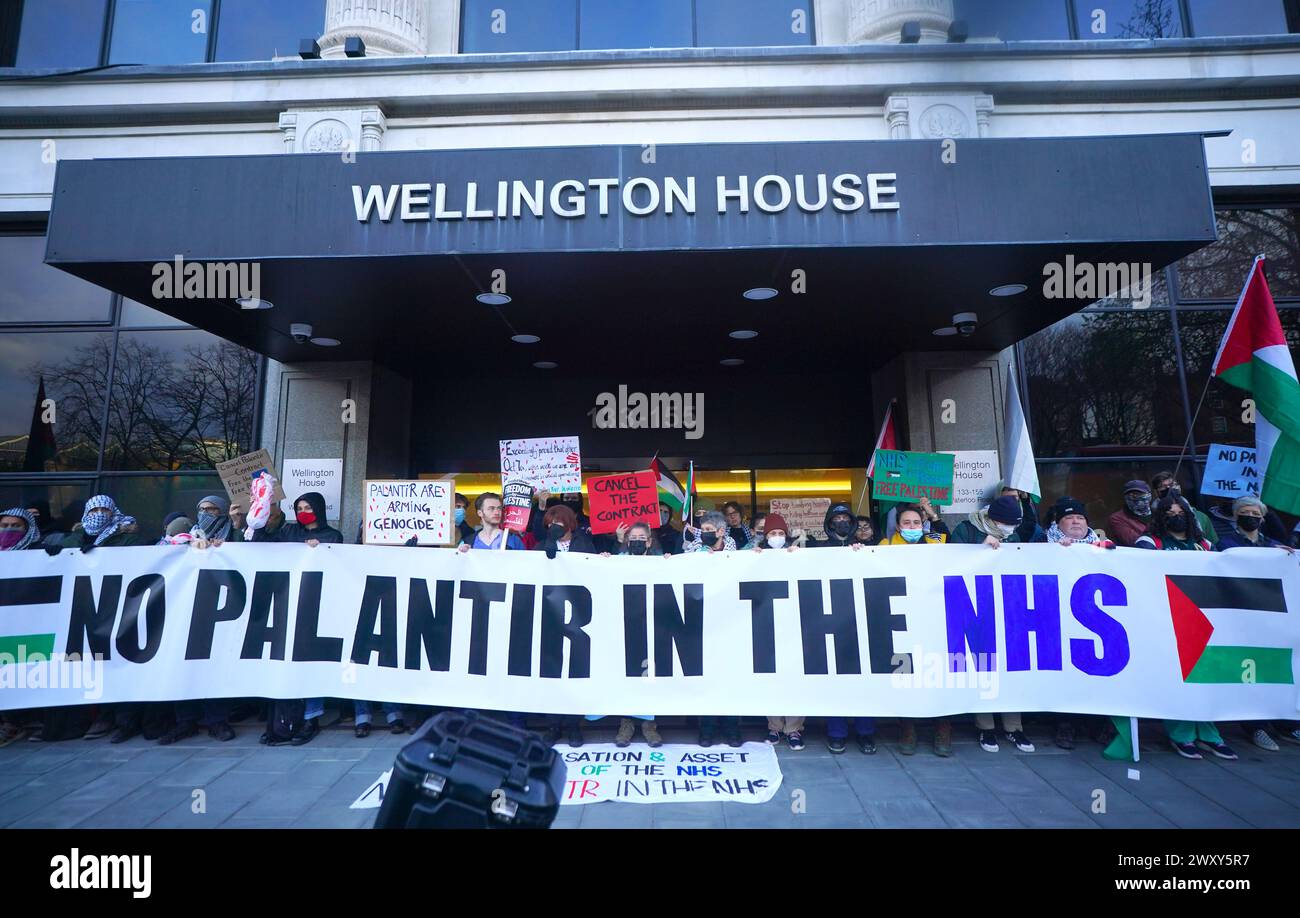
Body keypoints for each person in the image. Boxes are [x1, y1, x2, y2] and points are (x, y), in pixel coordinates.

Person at [1127, 492, 1237, 760]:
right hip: (1166, 621)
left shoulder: (1204, 545)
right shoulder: (1149, 542)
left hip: (1203, 621)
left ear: (1189, 516)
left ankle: (1210, 735)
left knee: (1206, 680)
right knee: (1177, 681)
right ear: (1159, 518)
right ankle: (1181, 735)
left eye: (1179, 513)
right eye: (1169, 514)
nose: (1175, 517)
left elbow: (1233, 565)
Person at [46, 496, 151, 744]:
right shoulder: (73, 540)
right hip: (83, 611)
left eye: (105, 509)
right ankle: (87, 718)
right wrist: (51, 555)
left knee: (118, 664)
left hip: (117, 611)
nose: (99, 514)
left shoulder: (128, 539)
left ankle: (121, 721)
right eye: (94, 510)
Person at [248, 492, 343, 746]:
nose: (303, 511)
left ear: (319, 509)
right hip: (286, 606)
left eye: (308, 507)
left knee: (311, 663)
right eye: (299, 507)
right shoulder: (288, 532)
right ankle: (285, 721)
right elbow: (262, 548)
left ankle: (311, 718)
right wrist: (256, 522)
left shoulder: (332, 536)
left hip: (316, 607)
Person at [949, 495, 1036, 753]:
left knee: (1011, 668)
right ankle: (986, 728)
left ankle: (1014, 727)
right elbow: (950, 560)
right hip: (975, 609)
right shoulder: (966, 531)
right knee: (983, 667)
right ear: (990, 518)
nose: (1010, 529)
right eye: (1006, 523)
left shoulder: (1015, 537)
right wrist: (977, 548)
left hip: (1008, 608)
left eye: (1014, 524)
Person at [1212, 495, 1299, 751]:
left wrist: (1284, 556)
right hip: (1241, 619)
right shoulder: (1226, 544)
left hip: (1270, 619)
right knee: (1247, 672)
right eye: (1245, 512)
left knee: (1275, 670)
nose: (1250, 516)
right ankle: (1256, 727)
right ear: (1236, 516)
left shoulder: (1274, 546)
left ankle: (1284, 723)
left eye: (1255, 513)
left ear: (1262, 518)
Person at [878, 503, 953, 756]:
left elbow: (950, 540)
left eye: (916, 523)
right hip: (903, 619)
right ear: (898, 526)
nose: (912, 527)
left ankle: (943, 729)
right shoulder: (885, 546)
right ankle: (907, 728)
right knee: (907, 673)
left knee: (938, 673)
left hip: (934, 618)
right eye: (907, 523)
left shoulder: (935, 540)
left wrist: (931, 514)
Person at [810, 501, 877, 752]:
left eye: (845, 518)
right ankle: (836, 731)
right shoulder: (817, 549)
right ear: (829, 523)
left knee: (862, 682)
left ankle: (865, 731)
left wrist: (861, 552)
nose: (842, 522)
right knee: (834, 683)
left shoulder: (865, 549)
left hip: (859, 623)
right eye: (836, 518)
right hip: (828, 623)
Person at [744, 513, 808, 750]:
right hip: (764, 624)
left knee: (793, 677)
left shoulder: (796, 554)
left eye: (781, 534)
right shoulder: (754, 556)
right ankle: (774, 726)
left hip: (792, 625)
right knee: (770, 677)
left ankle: (794, 729)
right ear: (765, 536)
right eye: (773, 534)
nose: (778, 538)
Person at [682, 511, 741, 746]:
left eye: (709, 531)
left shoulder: (735, 551)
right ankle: (706, 728)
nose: (704, 534)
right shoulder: (694, 548)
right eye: (702, 530)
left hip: (729, 622)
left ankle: (732, 728)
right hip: (702, 621)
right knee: (706, 676)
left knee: (728, 676)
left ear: (721, 531)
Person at [611, 521, 666, 748]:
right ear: (625, 540)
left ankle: (649, 725)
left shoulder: (661, 563)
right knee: (626, 676)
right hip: (625, 627)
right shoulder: (615, 561)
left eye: (641, 537)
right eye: (632, 537)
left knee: (649, 676)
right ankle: (626, 724)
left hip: (652, 627)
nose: (636, 541)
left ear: (649, 541)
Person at [0, 508, 43, 745]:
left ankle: (17, 722)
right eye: (4, 525)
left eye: (16, 526)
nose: (8, 530)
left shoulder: (37, 554)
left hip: (24, 624)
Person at [1150, 472, 1218, 547]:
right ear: (1156, 492)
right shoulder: (1151, 517)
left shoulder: (1201, 517)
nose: (1169, 488)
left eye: (1172, 485)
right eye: (1163, 486)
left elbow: (1212, 545)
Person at [457, 492, 525, 551]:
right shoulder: (468, 541)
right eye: (491, 508)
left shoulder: (513, 540)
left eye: (499, 508)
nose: (497, 512)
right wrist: (462, 554)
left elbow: (524, 564)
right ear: (480, 513)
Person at [1108, 480, 1153, 547]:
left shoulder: (1159, 512)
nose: (1136, 498)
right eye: (1131, 495)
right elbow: (1135, 541)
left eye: (1140, 494)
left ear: (1149, 495)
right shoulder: (1117, 518)